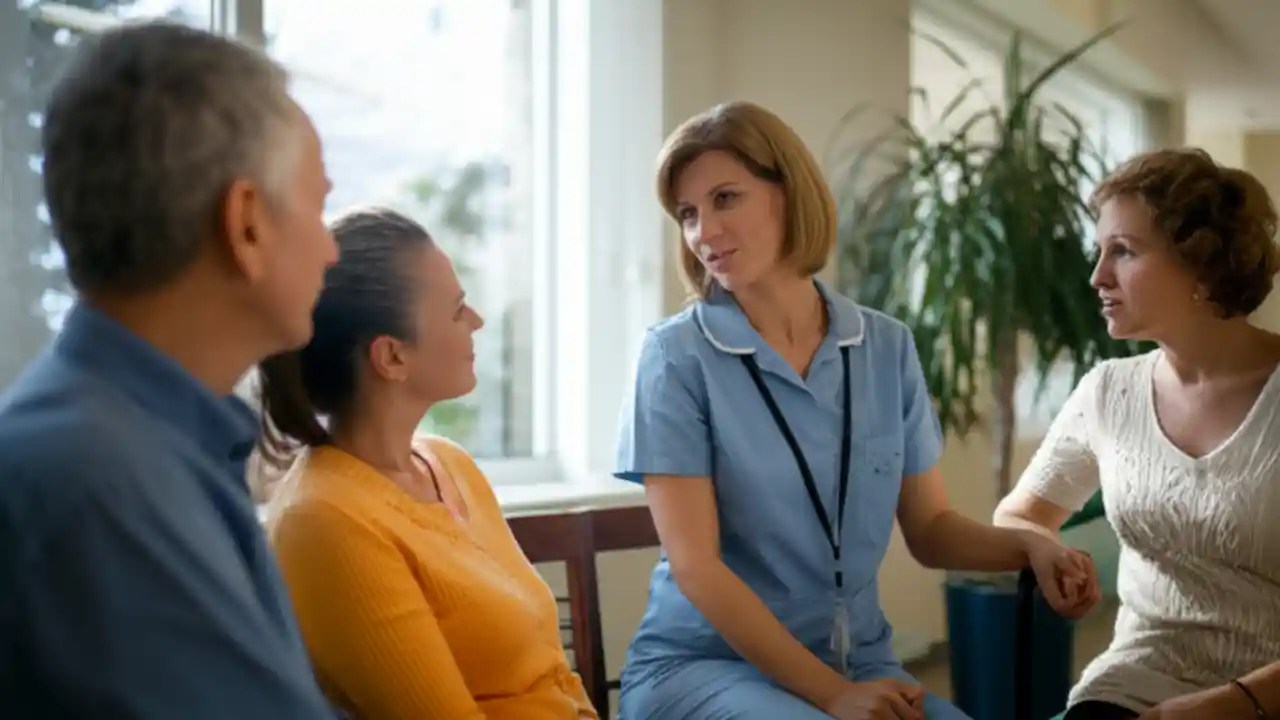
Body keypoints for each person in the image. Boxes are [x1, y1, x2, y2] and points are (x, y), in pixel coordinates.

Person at [613, 100, 1101, 720]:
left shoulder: (885, 347)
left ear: (789, 195)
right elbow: (697, 568)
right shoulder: (675, 357)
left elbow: (930, 528)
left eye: (725, 199)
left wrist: (1030, 548)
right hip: (705, 668)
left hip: (858, 663)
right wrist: (832, 695)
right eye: (687, 214)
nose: (703, 232)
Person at [0, 22, 338, 717]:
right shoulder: (96, 485)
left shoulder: (135, 446)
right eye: (319, 206)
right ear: (246, 223)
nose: (331, 250)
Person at [256, 207, 599, 720]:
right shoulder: (325, 521)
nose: (477, 321)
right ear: (392, 357)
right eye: (458, 310)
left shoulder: (448, 463)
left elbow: (551, 672)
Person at [995, 148, 1280, 720]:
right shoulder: (1109, 392)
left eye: (1123, 251)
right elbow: (1019, 515)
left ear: (1202, 265)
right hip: (1134, 684)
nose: (1097, 276)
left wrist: (1227, 705)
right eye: (1099, 251)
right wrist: (1045, 549)